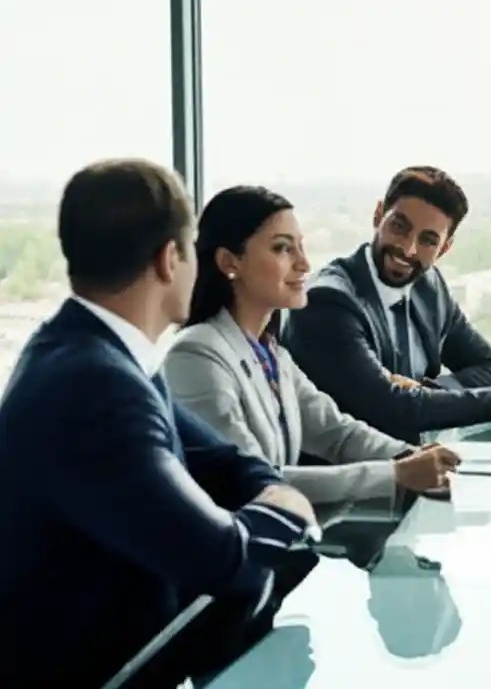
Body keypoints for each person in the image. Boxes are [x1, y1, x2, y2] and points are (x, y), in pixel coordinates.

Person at [0, 160, 319, 686]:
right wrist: (286, 502)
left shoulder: (102, 354)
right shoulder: (96, 386)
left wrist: (267, 488)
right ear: (171, 259)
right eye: (192, 250)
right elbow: (225, 558)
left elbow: (225, 462)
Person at [164, 186, 460, 506]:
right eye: (282, 249)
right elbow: (253, 481)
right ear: (229, 262)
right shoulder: (196, 355)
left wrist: (412, 456)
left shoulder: (273, 356)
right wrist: (395, 475)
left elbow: (337, 432)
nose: (304, 264)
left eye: (301, 247)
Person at [280, 166, 491, 443]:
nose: (408, 249)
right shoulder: (328, 302)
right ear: (378, 215)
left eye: (427, 241)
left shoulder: (429, 288)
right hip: (340, 479)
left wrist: (427, 391)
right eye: (399, 227)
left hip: (413, 468)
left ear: (444, 248)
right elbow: (391, 411)